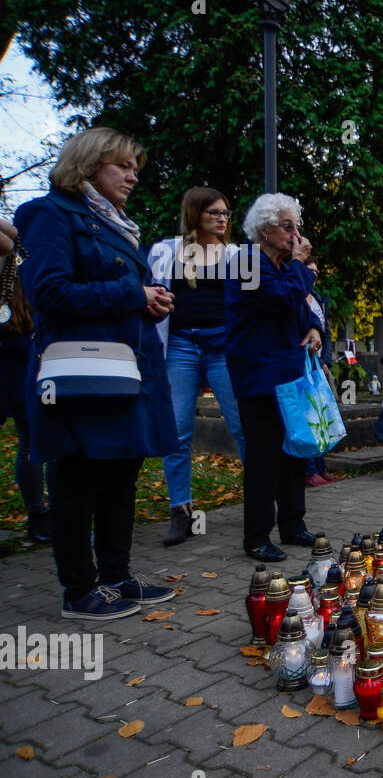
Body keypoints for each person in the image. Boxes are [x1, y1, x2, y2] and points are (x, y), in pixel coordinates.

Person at [15, 127, 178, 620]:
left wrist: (152, 301)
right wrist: (133, 296)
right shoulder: (49, 214)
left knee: (121, 473)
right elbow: (50, 292)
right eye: (122, 166)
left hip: (129, 369)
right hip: (82, 371)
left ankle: (117, 576)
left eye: (134, 169)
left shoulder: (117, 224)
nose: (132, 176)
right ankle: (78, 590)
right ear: (87, 166)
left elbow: (125, 290)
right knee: (79, 476)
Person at [147, 187, 247, 545]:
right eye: (214, 212)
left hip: (224, 347)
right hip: (182, 345)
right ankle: (181, 511)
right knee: (177, 431)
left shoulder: (239, 255)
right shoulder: (165, 251)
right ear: (194, 214)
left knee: (242, 426)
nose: (223, 218)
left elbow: (252, 304)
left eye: (226, 212)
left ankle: (260, 505)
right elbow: (153, 298)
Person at [226, 193, 322, 562]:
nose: (296, 235)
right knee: (264, 454)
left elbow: (301, 307)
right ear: (264, 230)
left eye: (297, 226)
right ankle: (256, 536)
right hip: (259, 374)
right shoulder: (246, 263)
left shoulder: (283, 267)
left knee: (293, 452)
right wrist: (301, 266)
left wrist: (315, 330)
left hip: (288, 373)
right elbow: (279, 300)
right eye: (287, 226)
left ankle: (293, 525)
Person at [0, 242, 51, 542]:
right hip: (36, 376)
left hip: (19, 378)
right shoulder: (31, 281)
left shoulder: (14, 287)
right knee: (40, 447)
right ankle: (45, 515)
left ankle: (39, 516)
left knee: (29, 447)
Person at [301, 257, 342, 486]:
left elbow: (325, 332)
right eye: (310, 270)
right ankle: (309, 470)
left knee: (321, 417)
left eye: (317, 271)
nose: (314, 275)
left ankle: (321, 467)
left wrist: (326, 361)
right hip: (301, 363)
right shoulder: (294, 295)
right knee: (308, 418)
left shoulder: (317, 299)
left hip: (318, 365)